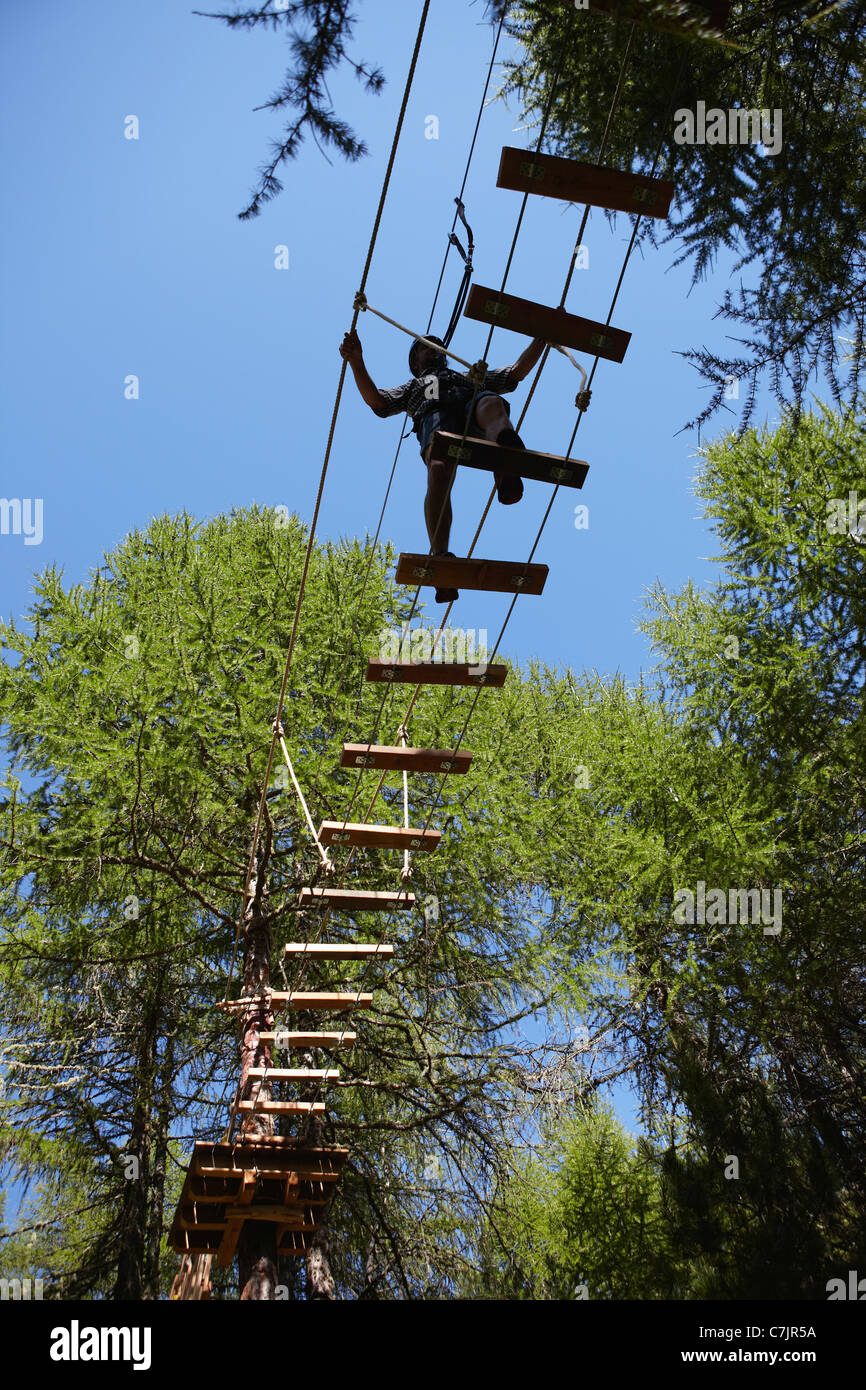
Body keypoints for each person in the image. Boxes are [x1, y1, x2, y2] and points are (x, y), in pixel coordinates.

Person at [339, 328, 547, 601]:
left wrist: (542, 336)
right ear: (415, 362)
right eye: (426, 346)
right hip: (437, 418)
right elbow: (377, 400)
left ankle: (507, 466)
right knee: (438, 466)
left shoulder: (468, 376)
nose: (433, 349)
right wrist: (357, 361)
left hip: (472, 410)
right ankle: (440, 553)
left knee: (491, 402)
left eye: (437, 345)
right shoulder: (414, 386)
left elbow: (515, 372)